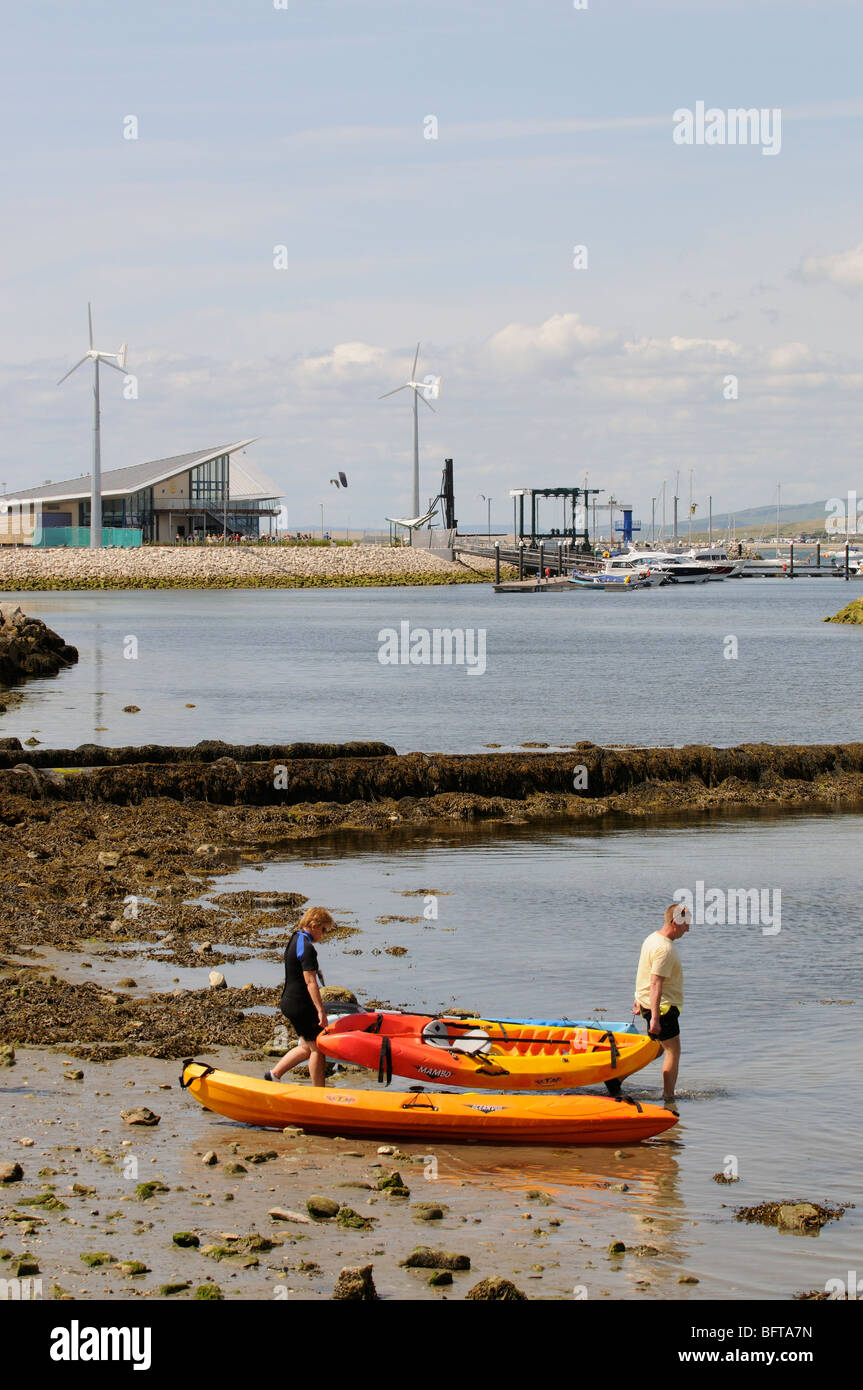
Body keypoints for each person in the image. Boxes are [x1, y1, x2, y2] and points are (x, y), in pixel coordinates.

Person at [265, 907, 334, 1086]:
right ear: (313, 925)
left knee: (306, 1046)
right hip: (300, 1005)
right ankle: (319, 1095)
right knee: (318, 1047)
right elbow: (311, 982)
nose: (324, 934)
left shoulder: (295, 938)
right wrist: (321, 1011)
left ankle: (273, 1075)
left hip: (288, 1001)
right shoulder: (308, 948)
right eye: (323, 929)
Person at [633, 903, 690, 1114]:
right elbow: (655, 981)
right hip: (662, 1009)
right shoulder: (665, 948)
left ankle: (616, 1078)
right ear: (675, 922)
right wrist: (655, 1018)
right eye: (686, 925)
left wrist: (638, 998)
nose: (688, 929)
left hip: (651, 1004)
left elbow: (643, 971)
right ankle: (669, 1099)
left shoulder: (652, 938)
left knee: (657, 1049)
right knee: (673, 1051)